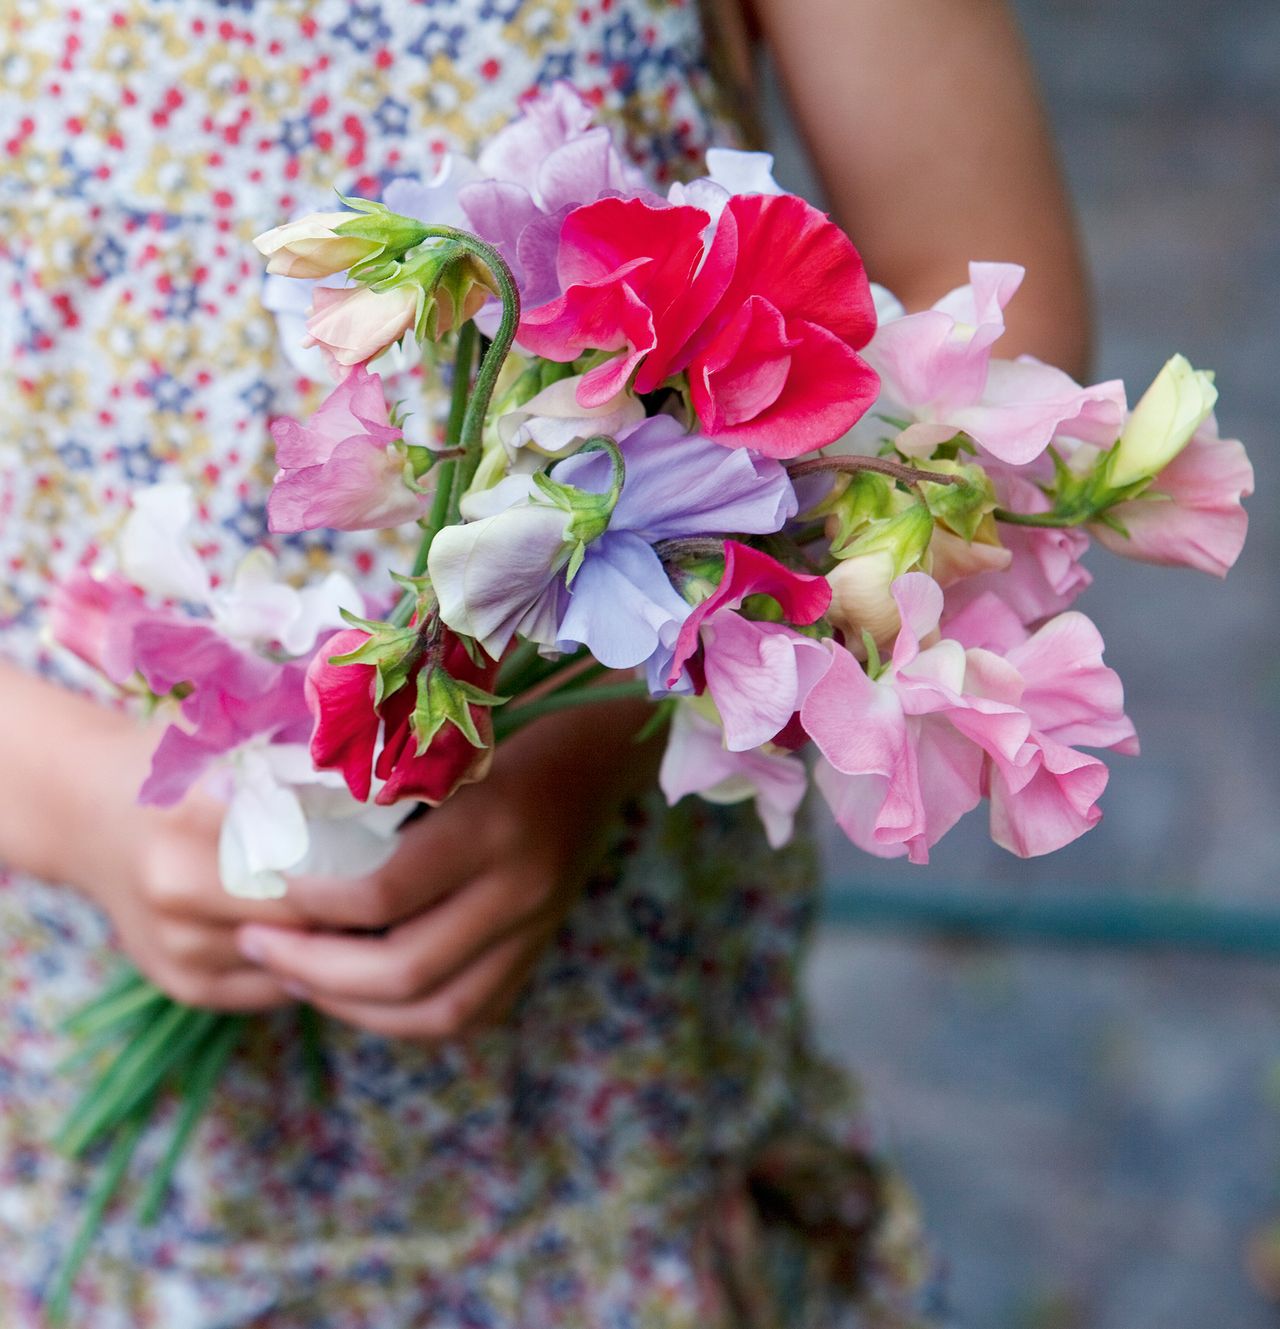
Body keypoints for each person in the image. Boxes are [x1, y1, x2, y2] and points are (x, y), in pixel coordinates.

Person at [0, 1, 1090, 1324]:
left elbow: (998, 326)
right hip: (64, 1136)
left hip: (602, 1147)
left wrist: (608, 710)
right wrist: (61, 793)